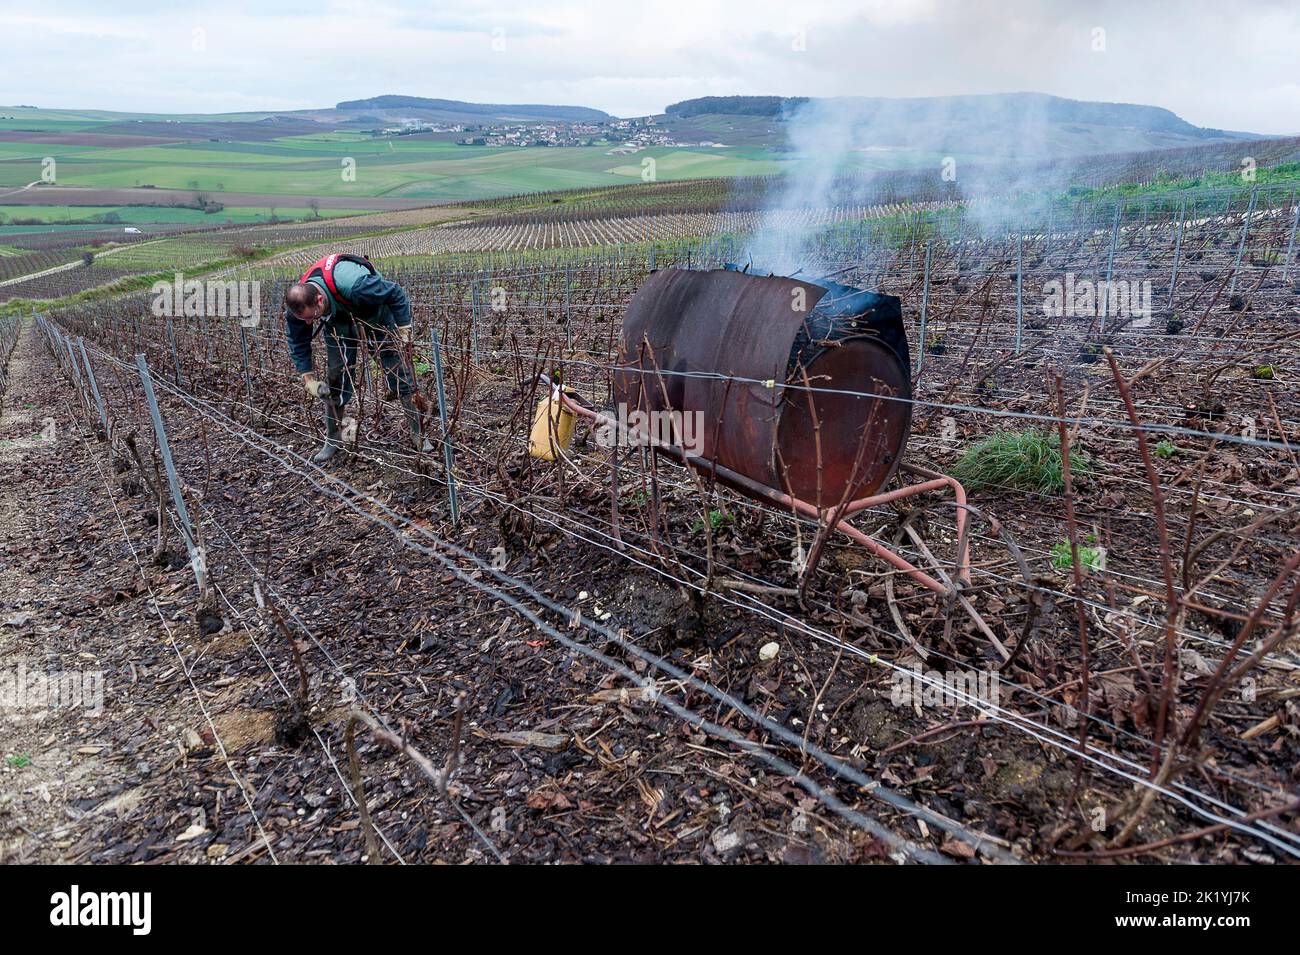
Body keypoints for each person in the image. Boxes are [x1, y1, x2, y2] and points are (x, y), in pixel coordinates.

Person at [282, 253, 432, 462]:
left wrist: (404, 328)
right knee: (336, 381)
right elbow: (298, 340)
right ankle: (333, 440)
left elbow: (395, 292)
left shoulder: (356, 285)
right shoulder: (299, 306)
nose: (309, 323)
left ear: (319, 299)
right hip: (339, 325)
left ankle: (419, 434)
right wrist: (308, 378)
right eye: (305, 320)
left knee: (398, 375)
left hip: (374, 318)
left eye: (313, 317)